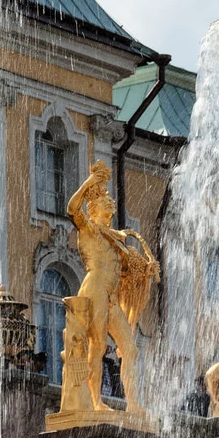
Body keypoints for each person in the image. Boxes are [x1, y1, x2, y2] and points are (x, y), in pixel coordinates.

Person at [66, 160, 159, 414]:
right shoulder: (89, 228)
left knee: (129, 348)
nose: (111, 202)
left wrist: (146, 271)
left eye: (111, 201)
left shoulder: (119, 241)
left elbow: (129, 273)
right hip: (94, 286)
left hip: (111, 296)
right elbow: (72, 208)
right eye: (105, 201)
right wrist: (89, 183)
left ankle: (134, 404)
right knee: (98, 346)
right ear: (94, 208)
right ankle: (94, 402)